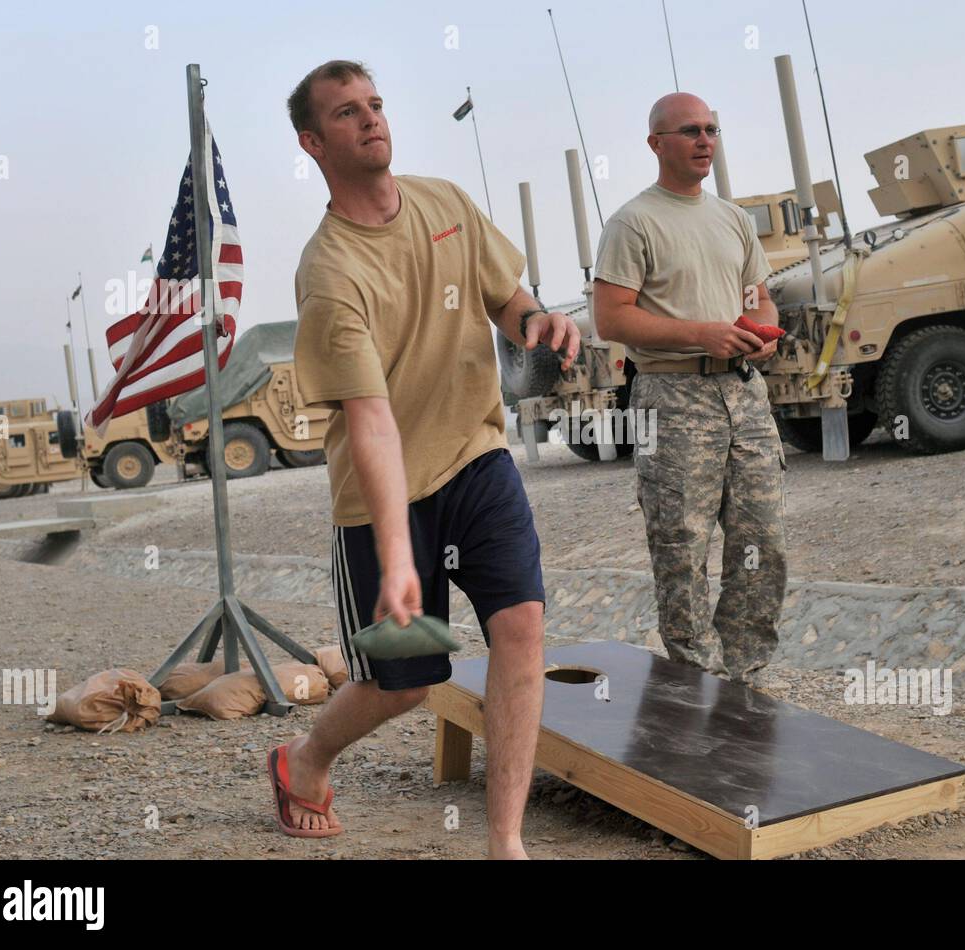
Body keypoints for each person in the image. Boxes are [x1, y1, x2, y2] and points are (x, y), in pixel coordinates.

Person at [269, 60, 579, 859]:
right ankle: (305, 759)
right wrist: (400, 559)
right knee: (404, 685)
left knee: (520, 628)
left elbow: (505, 295)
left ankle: (504, 841)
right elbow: (370, 421)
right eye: (346, 113)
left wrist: (538, 321)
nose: (371, 119)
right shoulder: (330, 271)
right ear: (312, 142)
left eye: (375, 104)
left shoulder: (444, 202)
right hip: (382, 498)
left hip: (478, 458)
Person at [593, 92, 787, 685]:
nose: (705, 141)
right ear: (656, 143)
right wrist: (700, 335)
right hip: (672, 398)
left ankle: (747, 675)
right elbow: (611, 319)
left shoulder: (731, 218)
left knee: (763, 543)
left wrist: (763, 333)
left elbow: (760, 297)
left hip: (744, 394)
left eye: (711, 129)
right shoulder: (633, 222)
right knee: (681, 549)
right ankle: (695, 682)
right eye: (689, 131)